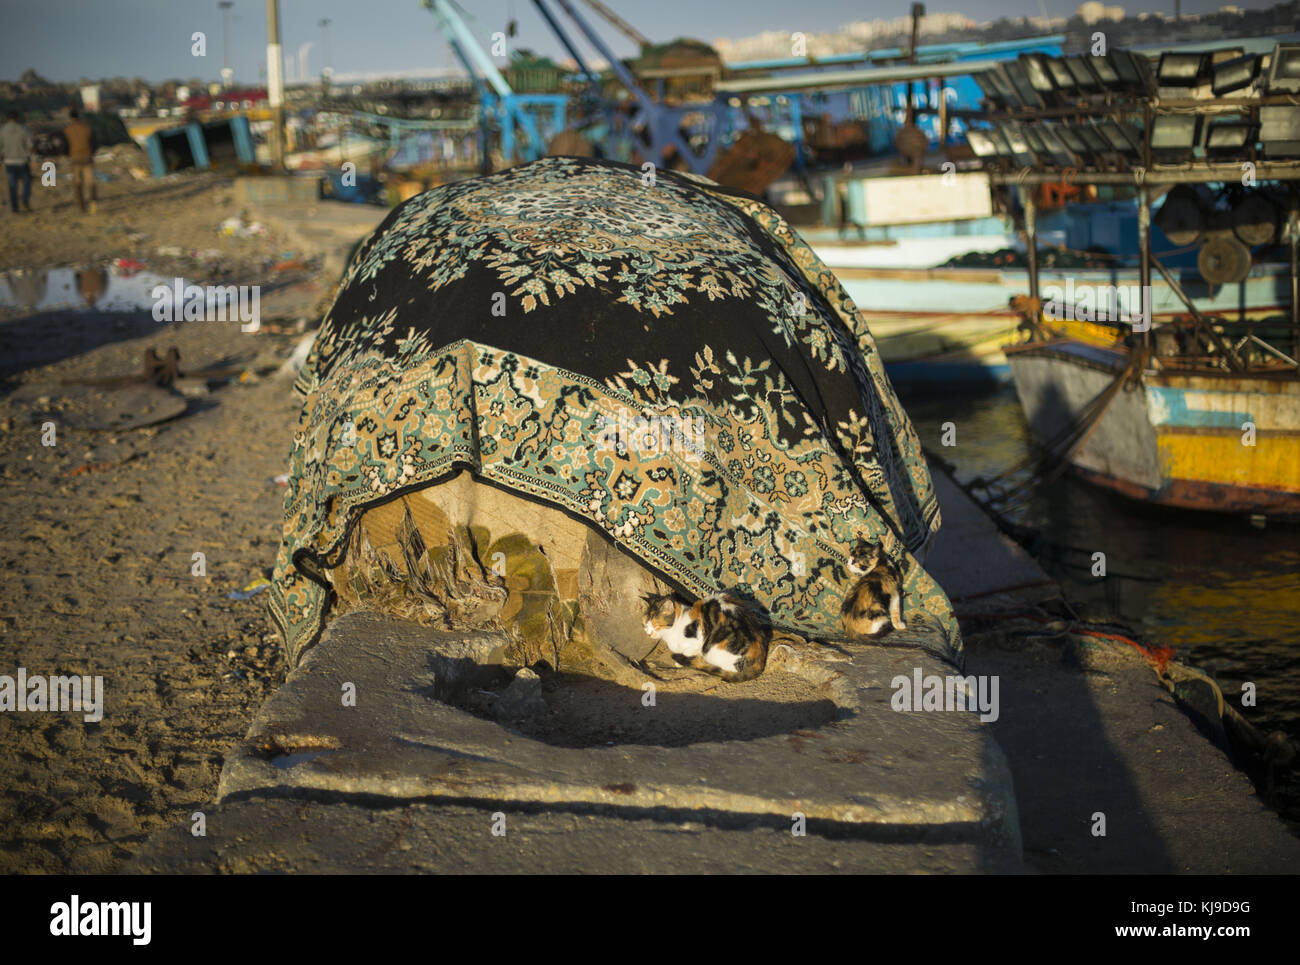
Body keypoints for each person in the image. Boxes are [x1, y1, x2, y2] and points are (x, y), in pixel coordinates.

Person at [64, 108, 96, 213]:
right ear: (79, 117)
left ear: (70, 118)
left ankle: (81, 206)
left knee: (78, 183)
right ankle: (92, 202)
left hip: (74, 158)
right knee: (90, 181)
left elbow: (65, 145)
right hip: (87, 157)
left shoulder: (67, 130)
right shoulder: (87, 128)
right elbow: (94, 142)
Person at [1, 110, 33, 213]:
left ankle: (15, 207)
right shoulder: (23, 129)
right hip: (22, 161)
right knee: (27, 182)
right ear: (17, 118)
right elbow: (30, 146)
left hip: (9, 162)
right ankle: (24, 199)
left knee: (12, 186)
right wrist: (34, 159)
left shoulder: (2, 131)